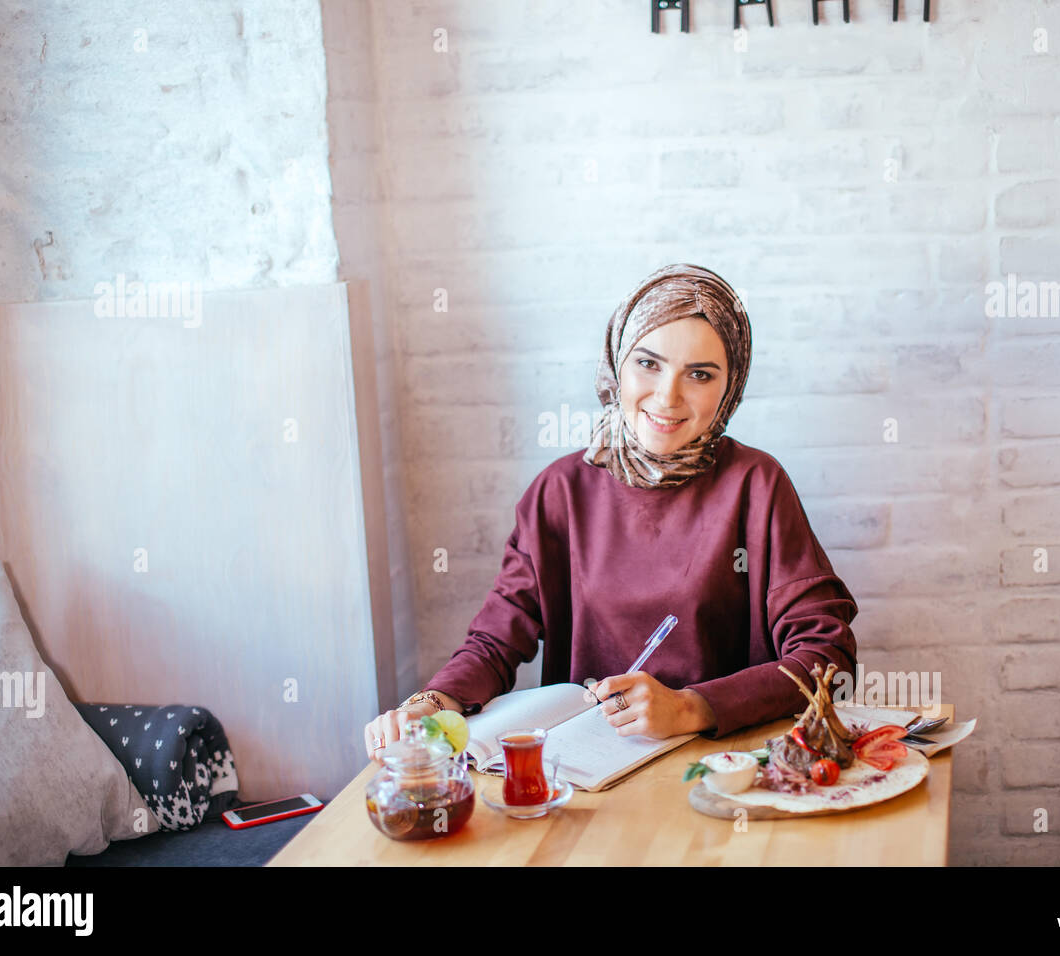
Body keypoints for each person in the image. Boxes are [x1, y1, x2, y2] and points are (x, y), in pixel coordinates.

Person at [364, 263, 858, 761]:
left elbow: (826, 661)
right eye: (648, 363)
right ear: (616, 364)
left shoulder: (756, 485)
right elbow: (495, 641)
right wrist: (433, 701)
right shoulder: (559, 491)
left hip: (723, 772)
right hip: (583, 777)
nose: (667, 396)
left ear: (729, 389)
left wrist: (691, 708)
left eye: (701, 374)